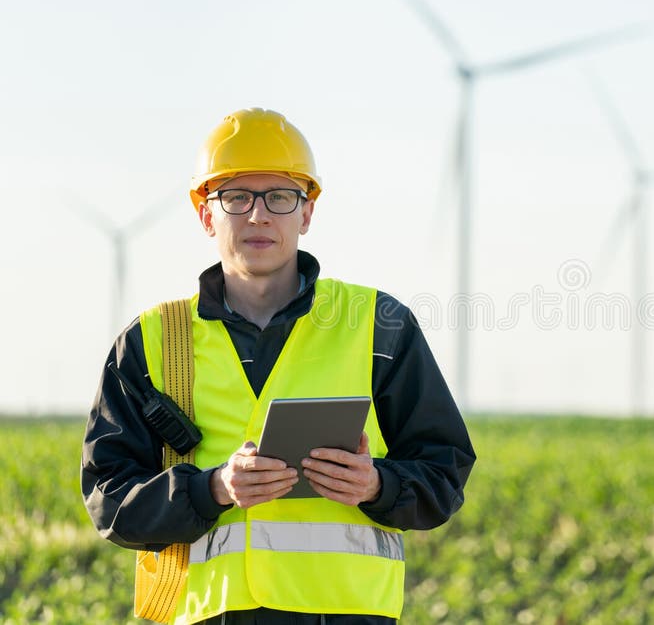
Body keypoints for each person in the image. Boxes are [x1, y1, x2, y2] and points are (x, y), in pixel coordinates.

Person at [81, 107, 475, 625]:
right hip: (211, 615)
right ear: (206, 215)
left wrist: (377, 485)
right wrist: (213, 489)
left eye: (280, 197)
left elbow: (444, 471)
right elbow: (108, 499)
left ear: (306, 213)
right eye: (235, 197)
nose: (258, 215)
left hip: (348, 616)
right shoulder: (151, 341)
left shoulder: (380, 324)